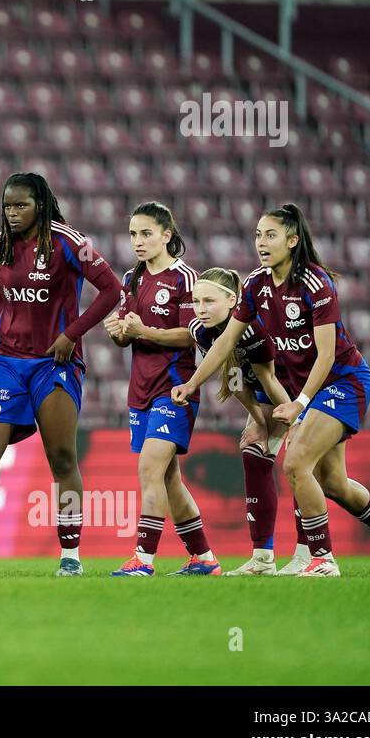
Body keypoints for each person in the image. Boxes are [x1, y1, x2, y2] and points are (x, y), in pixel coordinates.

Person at [172, 204, 370, 577]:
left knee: (296, 462)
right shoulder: (255, 284)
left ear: (292, 240)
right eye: (257, 235)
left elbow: (328, 354)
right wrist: (192, 382)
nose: (261, 243)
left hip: (343, 381)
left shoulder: (316, 284)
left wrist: (299, 403)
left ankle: (322, 558)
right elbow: (223, 344)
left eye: (270, 235)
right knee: (332, 482)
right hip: (311, 389)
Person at [0, 173, 120, 577]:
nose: (13, 214)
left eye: (21, 206)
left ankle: (70, 557)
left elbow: (112, 291)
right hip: (7, 362)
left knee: (62, 458)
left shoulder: (69, 242)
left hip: (54, 363)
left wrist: (72, 334)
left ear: (42, 205)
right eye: (7, 206)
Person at [103, 202, 218, 576]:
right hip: (140, 389)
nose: (138, 241)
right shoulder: (131, 278)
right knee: (169, 478)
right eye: (133, 234)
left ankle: (143, 560)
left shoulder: (185, 278)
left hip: (175, 388)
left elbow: (191, 334)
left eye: (146, 233)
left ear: (166, 235)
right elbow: (129, 336)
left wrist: (142, 331)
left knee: (150, 467)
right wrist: (120, 333)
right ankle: (203, 558)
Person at [185, 266, 298, 575]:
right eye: (196, 302)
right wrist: (255, 418)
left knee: (314, 470)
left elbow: (269, 378)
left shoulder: (251, 327)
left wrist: (295, 415)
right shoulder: (200, 331)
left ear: (232, 301)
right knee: (254, 453)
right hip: (262, 394)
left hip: (292, 388)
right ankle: (264, 557)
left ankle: (314, 553)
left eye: (209, 301)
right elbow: (233, 378)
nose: (201, 309)